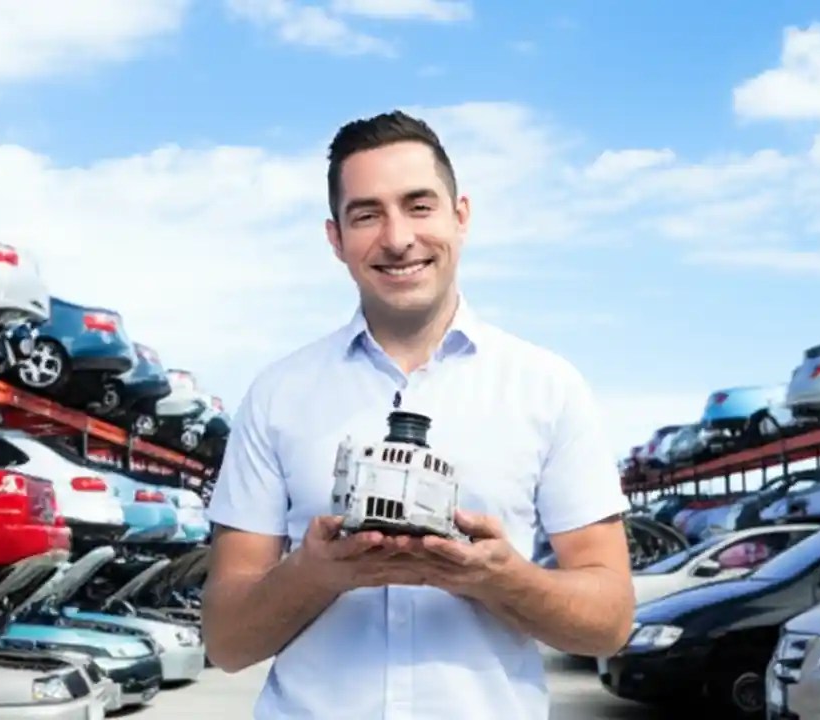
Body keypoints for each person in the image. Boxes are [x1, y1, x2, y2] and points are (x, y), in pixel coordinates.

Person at [201, 110, 635, 719]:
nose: (398, 237)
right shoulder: (277, 395)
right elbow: (225, 641)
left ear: (461, 216)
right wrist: (317, 573)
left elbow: (610, 623)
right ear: (335, 239)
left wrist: (498, 578)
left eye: (419, 206)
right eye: (366, 214)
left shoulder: (548, 388)